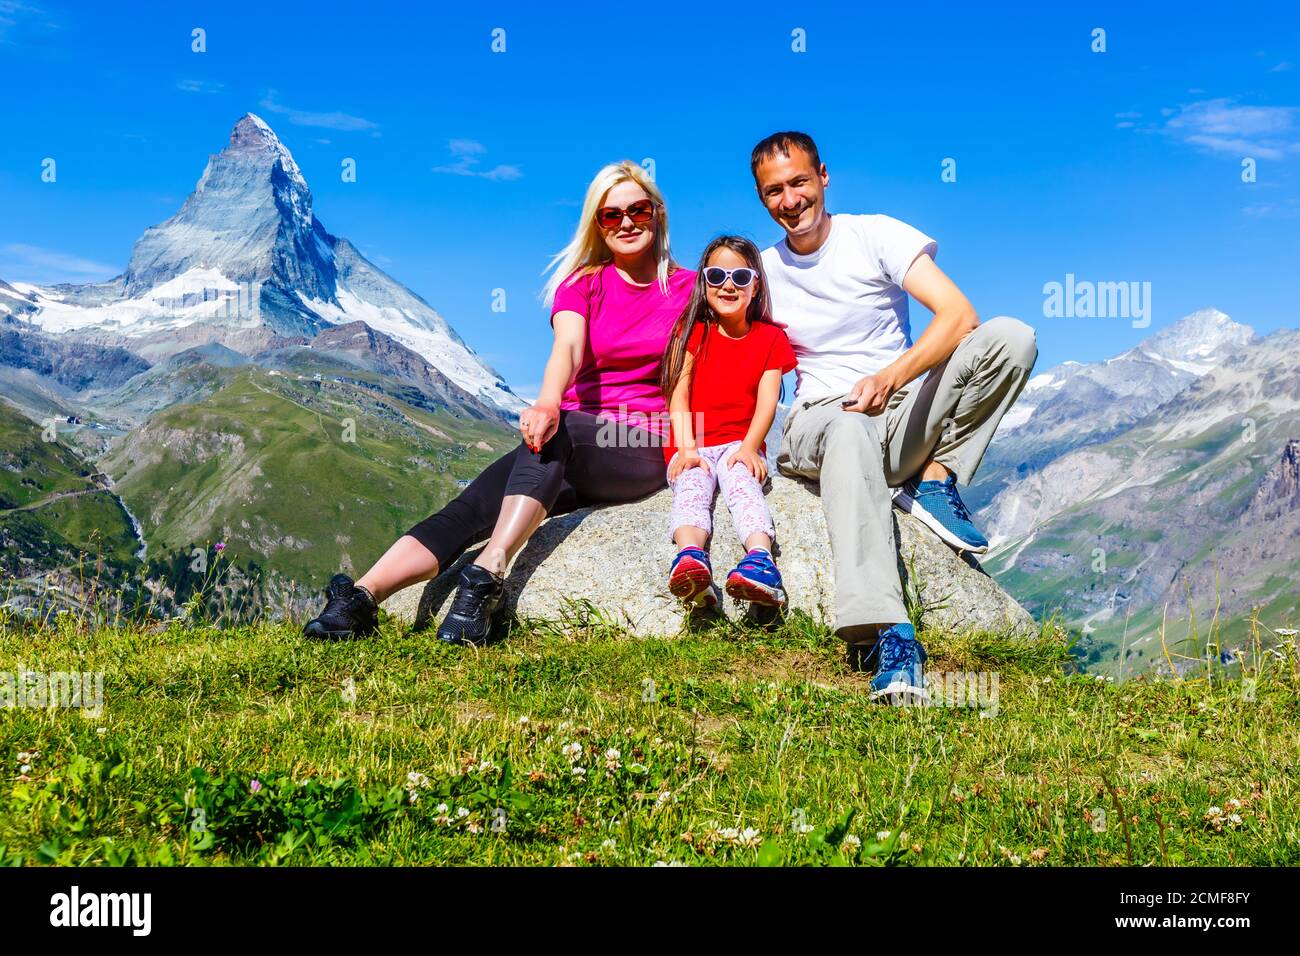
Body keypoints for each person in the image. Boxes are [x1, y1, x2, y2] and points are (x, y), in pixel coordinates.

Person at [303, 161, 694, 645]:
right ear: (597, 225)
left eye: (638, 210)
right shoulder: (583, 284)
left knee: (562, 431)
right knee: (469, 508)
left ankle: (488, 571)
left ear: (658, 214)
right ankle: (361, 598)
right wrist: (547, 403)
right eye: (611, 216)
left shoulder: (691, 289)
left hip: (642, 443)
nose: (627, 223)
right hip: (568, 438)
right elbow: (567, 349)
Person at [751, 131, 1038, 702]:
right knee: (850, 427)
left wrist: (891, 377)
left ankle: (934, 479)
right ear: (762, 198)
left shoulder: (875, 234)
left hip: (895, 403)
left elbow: (958, 315)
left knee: (1012, 337)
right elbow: (729, 351)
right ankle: (888, 632)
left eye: (799, 182)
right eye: (773, 191)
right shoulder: (761, 270)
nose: (790, 200)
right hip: (818, 420)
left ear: (824, 176)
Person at [659, 236, 797, 610]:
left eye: (740, 275)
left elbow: (769, 400)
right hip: (694, 445)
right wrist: (685, 448)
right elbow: (678, 393)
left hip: (740, 444)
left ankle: (760, 561)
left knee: (742, 487)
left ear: (756, 285)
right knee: (692, 487)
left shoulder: (771, 338)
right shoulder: (691, 332)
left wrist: (750, 447)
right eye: (717, 275)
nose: (728, 284)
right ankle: (690, 557)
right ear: (704, 284)